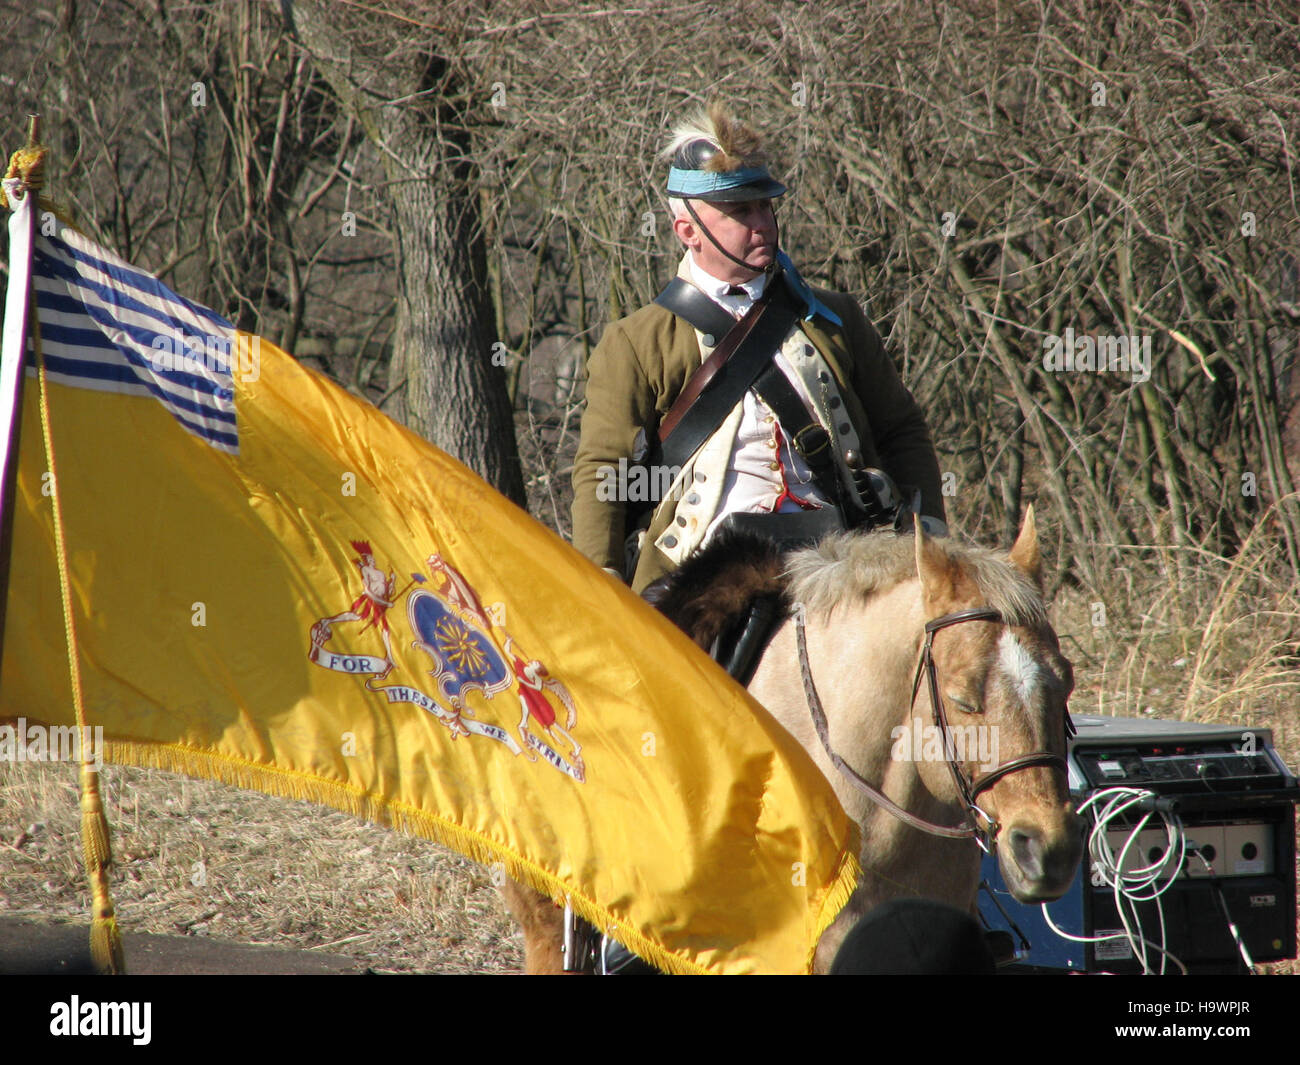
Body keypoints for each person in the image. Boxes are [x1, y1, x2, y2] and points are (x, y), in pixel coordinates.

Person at [571, 101, 946, 594]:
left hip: (845, 552)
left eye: (766, 206)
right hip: (703, 565)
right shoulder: (636, 342)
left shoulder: (835, 319)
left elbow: (900, 430)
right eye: (740, 211)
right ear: (689, 231)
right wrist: (600, 579)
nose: (762, 223)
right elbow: (605, 470)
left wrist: (931, 535)